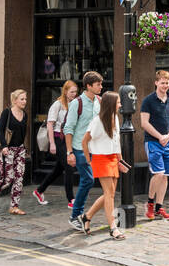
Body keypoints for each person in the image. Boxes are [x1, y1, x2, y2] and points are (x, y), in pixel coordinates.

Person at [80, 91, 126, 240]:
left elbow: (116, 140)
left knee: (110, 194)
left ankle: (87, 217)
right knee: (109, 193)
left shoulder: (115, 118)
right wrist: (88, 159)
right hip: (100, 159)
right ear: (111, 104)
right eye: (118, 102)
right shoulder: (97, 121)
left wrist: (120, 159)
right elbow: (84, 141)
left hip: (112, 158)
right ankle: (113, 228)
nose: (120, 104)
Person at [65, 71, 103, 232]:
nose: (101, 87)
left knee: (92, 181)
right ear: (88, 86)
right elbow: (68, 128)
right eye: (98, 84)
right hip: (80, 149)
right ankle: (75, 216)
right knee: (88, 179)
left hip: (96, 149)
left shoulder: (99, 101)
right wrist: (69, 152)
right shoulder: (77, 103)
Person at [140, 69, 169, 221]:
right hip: (153, 142)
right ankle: (150, 203)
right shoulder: (148, 101)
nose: (165, 85)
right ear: (156, 83)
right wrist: (159, 136)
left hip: (167, 142)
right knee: (159, 173)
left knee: (165, 176)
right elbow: (144, 123)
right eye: (162, 83)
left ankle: (159, 207)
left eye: (167, 83)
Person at [32, 80, 77, 209]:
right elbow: (50, 124)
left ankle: (39, 191)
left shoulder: (74, 104)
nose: (74, 94)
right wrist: (52, 143)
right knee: (69, 166)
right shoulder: (57, 104)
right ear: (65, 91)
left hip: (68, 139)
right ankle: (71, 199)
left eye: (75, 92)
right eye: (72, 91)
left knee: (58, 169)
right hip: (58, 138)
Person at [0, 89, 29, 215]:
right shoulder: (7, 112)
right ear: (15, 100)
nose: (25, 101)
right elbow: (0, 131)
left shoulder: (24, 115)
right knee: (7, 179)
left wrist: (23, 149)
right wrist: (4, 146)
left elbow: (23, 133)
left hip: (19, 150)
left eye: (25, 99)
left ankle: (14, 206)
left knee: (19, 179)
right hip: (7, 150)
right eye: (22, 99)